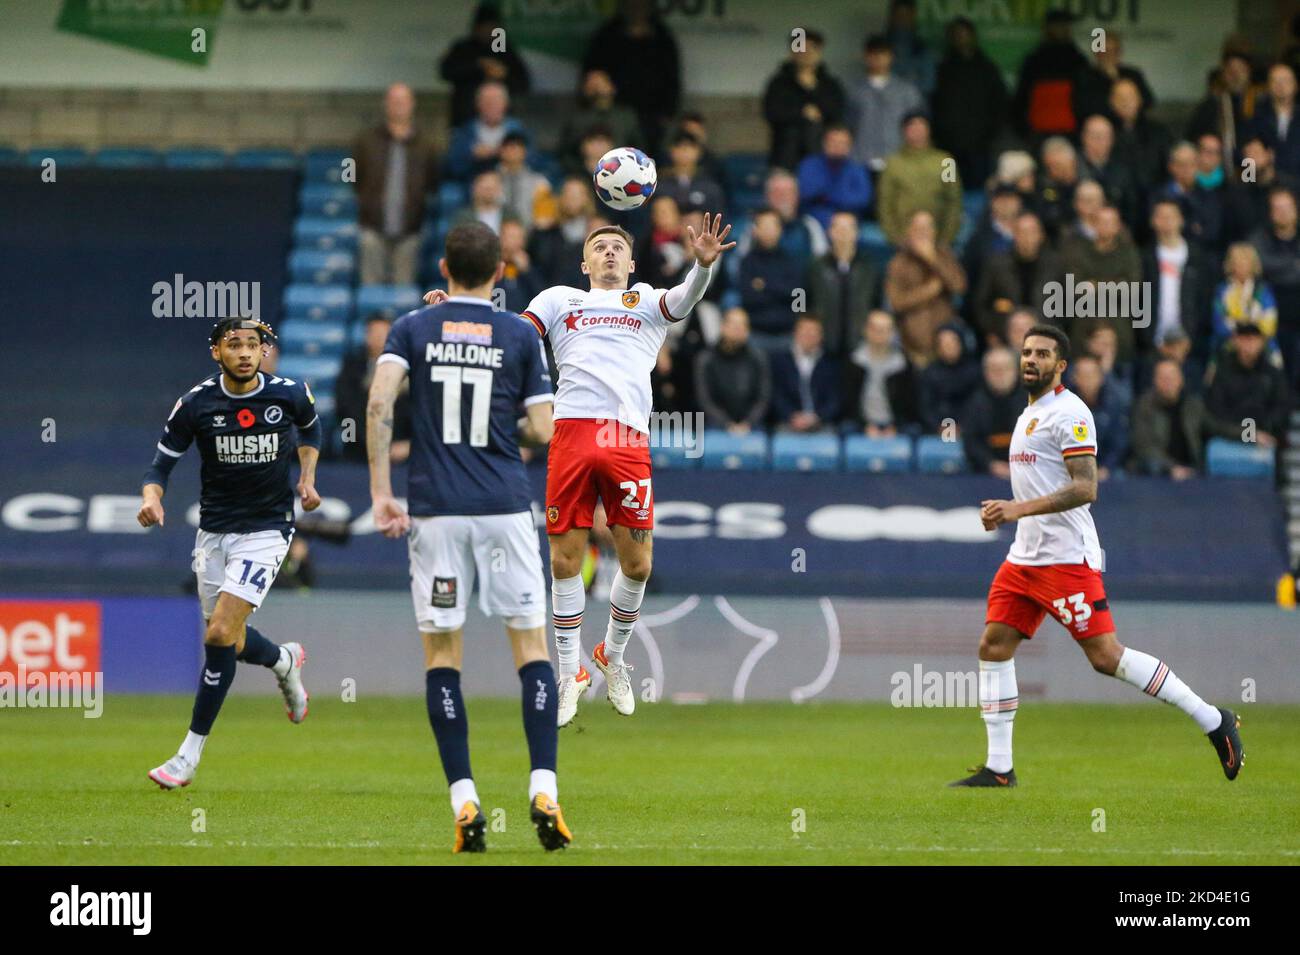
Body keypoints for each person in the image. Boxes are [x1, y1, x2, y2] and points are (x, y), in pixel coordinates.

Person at [953, 324, 1244, 788]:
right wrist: (1015, 517)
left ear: (1060, 366)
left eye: (1042, 354)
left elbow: (1086, 488)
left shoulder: (1071, 413)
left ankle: (1214, 720)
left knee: (1106, 657)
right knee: (993, 646)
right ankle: (999, 767)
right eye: (1026, 352)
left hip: (1066, 560)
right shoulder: (1029, 412)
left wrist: (1015, 509)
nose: (1030, 360)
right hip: (1024, 559)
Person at [366, 223, 566, 853]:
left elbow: (378, 406)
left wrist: (380, 492)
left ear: (444, 268)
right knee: (532, 649)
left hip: (436, 511)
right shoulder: (518, 335)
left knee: (443, 656)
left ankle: (465, 799)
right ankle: (544, 786)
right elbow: (542, 427)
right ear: (501, 272)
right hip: (505, 507)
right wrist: (506, 426)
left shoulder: (412, 328)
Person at [516, 214, 734, 724]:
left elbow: (686, 298)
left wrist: (702, 267)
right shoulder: (557, 300)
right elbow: (516, 335)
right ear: (585, 261)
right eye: (600, 247)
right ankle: (570, 674)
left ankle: (612, 656)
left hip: (626, 438)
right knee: (565, 562)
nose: (610, 252)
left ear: (633, 263)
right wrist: (464, 313)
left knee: (637, 565)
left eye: (618, 247)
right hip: (569, 433)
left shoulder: (648, 302)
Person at [137, 319, 319, 790]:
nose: (244, 353)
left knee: (218, 633)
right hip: (214, 534)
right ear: (216, 352)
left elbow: (311, 430)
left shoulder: (289, 394)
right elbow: (161, 462)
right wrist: (152, 497)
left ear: (264, 352)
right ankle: (283, 660)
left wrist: (307, 478)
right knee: (231, 640)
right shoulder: (196, 404)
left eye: (252, 345)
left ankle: (187, 756)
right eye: (233, 345)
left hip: (266, 530)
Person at [353, 83, 440, 286]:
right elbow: (355, 179)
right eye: (394, 101)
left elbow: (433, 181)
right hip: (372, 228)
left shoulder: (426, 144)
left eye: (403, 101)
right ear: (386, 105)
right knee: (370, 289)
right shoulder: (366, 140)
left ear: (412, 104)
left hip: (411, 230)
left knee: (403, 292)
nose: (399, 105)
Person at [581, 0, 682, 155]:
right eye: (632, 3)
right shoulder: (607, 35)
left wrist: (668, 113)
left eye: (642, 4)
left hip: (652, 117)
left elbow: (672, 81)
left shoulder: (662, 36)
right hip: (613, 114)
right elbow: (591, 76)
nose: (637, 7)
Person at [932, 16, 1007, 189]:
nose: (961, 38)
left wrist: (989, 135)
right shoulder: (943, 69)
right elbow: (934, 105)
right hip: (947, 149)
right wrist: (940, 134)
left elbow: (1000, 105)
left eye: (964, 34)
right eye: (956, 35)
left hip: (979, 147)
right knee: (948, 185)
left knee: (980, 189)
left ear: (973, 36)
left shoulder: (987, 68)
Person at [884, 209, 966, 364]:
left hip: (945, 349)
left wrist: (933, 260)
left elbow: (959, 286)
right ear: (909, 231)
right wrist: (928, 291)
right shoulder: (898, 263)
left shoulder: (945, 255)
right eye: (918, 228)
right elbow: (896, 302)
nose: (923, 233)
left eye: (928, 227)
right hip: (911, 349)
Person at [761, 29, 846, 173]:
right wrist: (801, 113)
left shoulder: (830, 84)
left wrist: (819, 112)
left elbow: (838, 113)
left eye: (811, 48)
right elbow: (771, 113)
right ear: (792, 52)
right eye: (801, 48)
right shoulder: (779, 83)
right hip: (785, 157)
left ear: (819, 52)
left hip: (823, 158)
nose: (805, 53)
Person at [973, 210, 1061, 345]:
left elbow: (1068, 306)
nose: (1027, 237)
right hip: (1005, 338)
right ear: (1014, 235)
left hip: (1047, 337)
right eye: (1022, 232)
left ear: (1041, 235)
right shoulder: (996, 265)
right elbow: (981, 305)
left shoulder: (1056, 266)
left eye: (1032, 232)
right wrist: (993, 332)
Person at [438, 2, 531, 128]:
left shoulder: (504, 50)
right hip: (465, 118)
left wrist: (502, 75)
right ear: (476, 27)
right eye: (484, 27)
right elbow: (445, 72)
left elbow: (523, 84)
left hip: (499, 124)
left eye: (492, 27)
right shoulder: (463, 48)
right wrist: (478, 66)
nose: (488, 31)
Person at [877, 111, 962, 247]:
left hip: (939, 239)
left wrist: (947, 238)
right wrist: (895, 238)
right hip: (903, 240)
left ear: (929, 129)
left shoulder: (946, 161)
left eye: (921, 125)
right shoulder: (892, 164)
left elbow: (954, 201)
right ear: (904, 131)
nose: (917, 130)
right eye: (912, 126)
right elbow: (885, 203)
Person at [335, 313, 411, 464]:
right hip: (359, 449)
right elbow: (345, 406)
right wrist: (372, 445)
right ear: (366, 336)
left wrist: (409, 444)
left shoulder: (409, 367)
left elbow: (417, 409)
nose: (378, 338)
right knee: (347, 427)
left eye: (384, 333)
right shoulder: (353, 366)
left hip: (400, 448)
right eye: (373, 333)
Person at [1203, 323, 1291, 451]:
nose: (1249, 344)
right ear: (1235, 341)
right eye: (1244, 339)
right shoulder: (1222, 372)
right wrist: (1248, 434)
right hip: (1229, 438)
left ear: (1262, 342)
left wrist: (1263, 430)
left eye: (1253, 339)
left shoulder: (1273, 374)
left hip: (1267, 437)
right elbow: (1216, 411)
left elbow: (1282, 408)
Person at [806, 211, 880, 358]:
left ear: (857, 233)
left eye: (848, 228)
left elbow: (877, 301)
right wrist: (804, 321)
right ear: (830, 232)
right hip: (824, 345)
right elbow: (800, 295)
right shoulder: (816, 266)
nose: (843, 234)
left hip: (859, 344)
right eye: (838, 228)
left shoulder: (868, 267)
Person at [847, 34, 924, 174]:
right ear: (865, 57)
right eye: (873, 54)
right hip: (861, 160)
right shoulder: (854, 90)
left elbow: (917, 127)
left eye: (882, 53)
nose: (877, 58)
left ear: (891, 57)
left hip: (898, 159)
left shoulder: (906, 90)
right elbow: (848, 126)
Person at [1011, 9, 1088, 140]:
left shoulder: (1078, 60)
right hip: (1038, 134)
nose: (1063, 29)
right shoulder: (1033, 60)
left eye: (1066, 25)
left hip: (1071, 134)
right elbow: (1021, 98)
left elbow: (1085, 99)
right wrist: (1024, 131)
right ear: (1048, 28)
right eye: (1059, 25)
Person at [841, 309, 919, 435]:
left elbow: (910, 406)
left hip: (895, 425)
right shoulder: (853, 363)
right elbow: (848, 404)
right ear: (865, 330)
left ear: (893, 333)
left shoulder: (904, 366)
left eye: (885, 329)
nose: (879, 334)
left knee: (914, 430)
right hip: (861, 424)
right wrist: (865, 426)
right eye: (875, 329)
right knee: (845, 428)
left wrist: (895, 427)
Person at [1251, 186, 1300, 386]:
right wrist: (1294, 265)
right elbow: (1258, 263)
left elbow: (1271, 267)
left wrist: (1278, 268)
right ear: (1271, 213)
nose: (1283, 213)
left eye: (1287, 208)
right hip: (1270, 320)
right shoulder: (1259, 237)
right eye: (1277, 208)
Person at [695, 307, 772, 433]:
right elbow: (705, 400)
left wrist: (748, 423)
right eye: (734, 324)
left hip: (752, 425)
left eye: (743, 326)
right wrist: (727, 424)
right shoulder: (706, 359)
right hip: (716, 425)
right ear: (723, 327)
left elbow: (763, 398)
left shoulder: (758, 358)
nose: (738, 329)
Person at [739, 207, 805, 347]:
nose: (769, 230)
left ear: (780, 229)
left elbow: (800, 297)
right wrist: (783, 291)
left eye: (773, 225)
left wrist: (765, 286)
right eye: (764, 226)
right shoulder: (748, 262)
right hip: (756, 333)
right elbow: (749, 299)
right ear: (755, 231)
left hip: (788, 333)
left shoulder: (792, 261)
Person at [1130, 357, 1205, 478]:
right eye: (1163, 378)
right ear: (1155, 380)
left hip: (1191, 470)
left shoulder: (1193, 405)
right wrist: (1171, 467)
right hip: (1159, 470)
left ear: (1181, 379)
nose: (1168, 382)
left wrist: (1244, 432)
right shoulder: (1144, 406)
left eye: (1172, 377)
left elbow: (1216, 426)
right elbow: (1143, 446)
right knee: (1152, 465)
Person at [558, 69, 641, 173]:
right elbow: (564, 154)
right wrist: (583, 167)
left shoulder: (626, 117)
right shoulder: (577, 119)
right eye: (592, 82)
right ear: (585, 89)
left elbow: (640, 152)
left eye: (601, 81)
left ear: (612, 86)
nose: (597, 85)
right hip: (583, 176)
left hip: (622, 175)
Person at [446, 81, 528, 182]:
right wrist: (472, 154)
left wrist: (511, 155)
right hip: (474, 183)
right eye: (487, 101)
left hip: (512, 181)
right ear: (478, 104)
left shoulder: (518, 130)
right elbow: (453, 166)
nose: (492, 106)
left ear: (505, 104)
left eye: (496, 101)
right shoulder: (465, 131)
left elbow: (534, 161)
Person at [960, 346, 1024, 477]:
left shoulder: (1034, 402)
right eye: (994, 369)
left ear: (1016, 371)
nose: (1000, 374)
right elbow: (971, 441)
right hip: (984, 476)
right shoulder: (974, 404)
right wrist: (991, 464)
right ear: (985, 373)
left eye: (1005, 368)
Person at [770, 315, 840, 432]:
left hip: (822, 423)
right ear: (795, 333)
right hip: (788, 423)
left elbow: (835, 399)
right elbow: (776, 395)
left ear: (820, 336)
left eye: (813, 332)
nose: (809, 336)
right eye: (805, 331)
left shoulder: (830, 363)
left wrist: (818, 417)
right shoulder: (780, 361)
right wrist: (791, 416)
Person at [796, 124, 872, 231]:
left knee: (844, 224)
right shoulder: (809, 164)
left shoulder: (857, 168)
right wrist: (840, 196)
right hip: (813, 219)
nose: (837, 146)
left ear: (849, 146)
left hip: (847, 219)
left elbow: (862, 200)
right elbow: (806, 192)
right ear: (824, 143)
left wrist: (826, 197)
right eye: (833, 142)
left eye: (842, 143)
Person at [1071, 30, 1154, 125]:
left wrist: (1116, 78)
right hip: (1100, 128)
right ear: (1096, 53)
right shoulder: (1085, 76)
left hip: (1132, 127)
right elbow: (1082, 108)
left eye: (1114, 51)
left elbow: (1148, 101)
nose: (1109, 55)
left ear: (1120, 52)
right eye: (1105, 51)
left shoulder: (1133, 74)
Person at [1068, 353, 1129, 480]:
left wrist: (1106, 467)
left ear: (1101, 378)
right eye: (1083, 376)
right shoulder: (1062, 406)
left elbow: (1118, 444)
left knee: (1119, 475)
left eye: (1091, 376)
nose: (1087, 381)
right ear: (1074, 378)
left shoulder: (1114, 404)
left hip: (1105, 467)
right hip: (1071, 468)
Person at [1212, 242, 1279, 353]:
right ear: (1230, 265)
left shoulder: (1263, 290)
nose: (1242, 267)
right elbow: (1219, 323)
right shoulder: (1222, 291)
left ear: (1253, 265)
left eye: (1245, 263)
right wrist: (1240, 340)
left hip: (1261, 348)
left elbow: (1270, 322)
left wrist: (1252, 340)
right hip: (1229, 347)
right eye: (1237, 263)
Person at [919, 322, 980, 433]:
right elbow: (925, 406)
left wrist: (964, 426)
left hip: (970, 428)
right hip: (937, 430)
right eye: (943, 343)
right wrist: (939, 427)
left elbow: (978, 404)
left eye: (952, 342)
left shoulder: (975, 371)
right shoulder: (929, 373)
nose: (948, 347)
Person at [1247, 63, 1300, 178]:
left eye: (1285, 80)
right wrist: (1254, 176)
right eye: (1275, 81)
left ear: (1296, 85)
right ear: (1268, 86)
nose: (1280, 85)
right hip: (1265, 186)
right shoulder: (1256, 118)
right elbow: (1247, 170)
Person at [656, 130, 726, 215]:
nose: (684, 150)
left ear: (699, 152)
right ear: (671, 151)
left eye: (690, 146)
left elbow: (720, 220)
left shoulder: (710, 186)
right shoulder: (659, 185)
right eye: (679, 146)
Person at [497, 132, 554, 231]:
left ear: (525, 151)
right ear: (501, 151)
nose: (513, 151)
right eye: (509, 147)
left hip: (530, 234)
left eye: (518, 147)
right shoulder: (490, 180)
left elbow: (545, 217)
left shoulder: (539, 181)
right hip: (496, 234)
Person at [885, 0, 936, 96]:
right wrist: (911, 78)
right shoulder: (882, 46)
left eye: (906, 15)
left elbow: (928, 84)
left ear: (913, 17)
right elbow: (877, 81)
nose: (902, 19)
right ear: (892, 17)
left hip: (915, 106)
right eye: (899, 15)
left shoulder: (922, 48)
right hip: (887, 106)